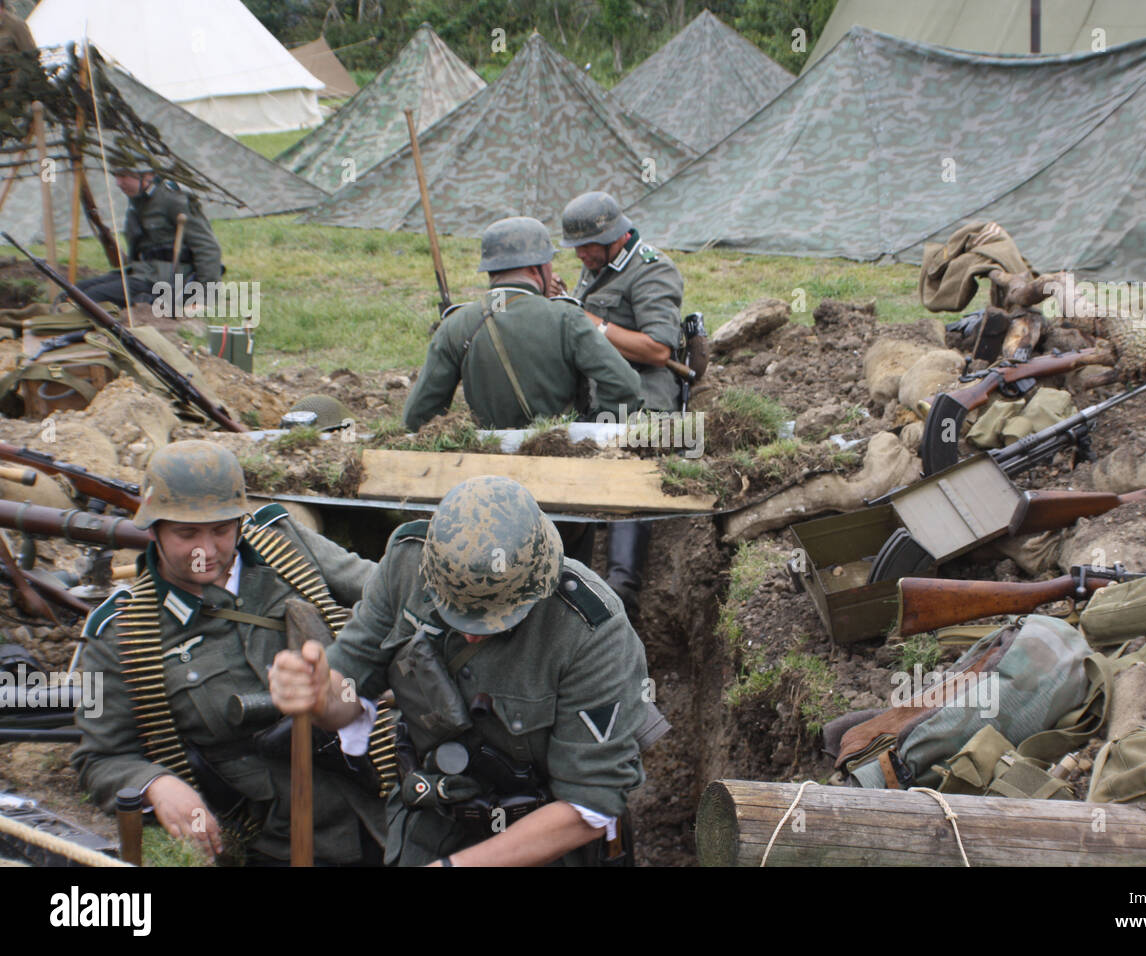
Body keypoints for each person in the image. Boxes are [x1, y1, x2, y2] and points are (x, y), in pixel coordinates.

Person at [269, 475, 651, 867]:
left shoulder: (590, 630)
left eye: (495, 620)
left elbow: (590, 804)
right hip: (432, 816)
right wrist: (320, 695)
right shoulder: (407, 566)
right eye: (458, 613)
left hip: (547, 838)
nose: (471, 635)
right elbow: (351, 687)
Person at [73, 440, 389, 866]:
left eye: (221, 529)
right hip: (280, 841)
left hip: (385, 800)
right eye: (187, 533)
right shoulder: (122, 635)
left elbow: (386, 595)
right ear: (154, 530)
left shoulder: (285, 545)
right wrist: (156, 785)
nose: (207, 549)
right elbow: (100, 758)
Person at [560, 191, 686, 622]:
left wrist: (589, 322)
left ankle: (622, 586)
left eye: (588, 246)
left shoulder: (652, 270)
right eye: (576, 247)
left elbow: (656, 349)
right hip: (597, 391)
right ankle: (563, 577)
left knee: (629, 463)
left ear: (617, 236)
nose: (580, 255)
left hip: (644, 392)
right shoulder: (597, 265)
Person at [402, 216, 641, 433]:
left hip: (486, 462)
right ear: (536, 268)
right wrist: (590, 429)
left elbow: (416, 417)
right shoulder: (567, 318)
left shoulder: (456, 325)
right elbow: (626, 385)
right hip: (564, 456)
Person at [73, 163, 224, 309]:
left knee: (91, 297)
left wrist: (204, 297)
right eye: (116, 176)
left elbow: (208, 248)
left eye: (124, 176)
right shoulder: (138, 200)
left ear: (148, 176)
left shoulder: (173, 199)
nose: (118, 183)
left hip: (168, 279)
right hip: (144, 273)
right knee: (76, 291)